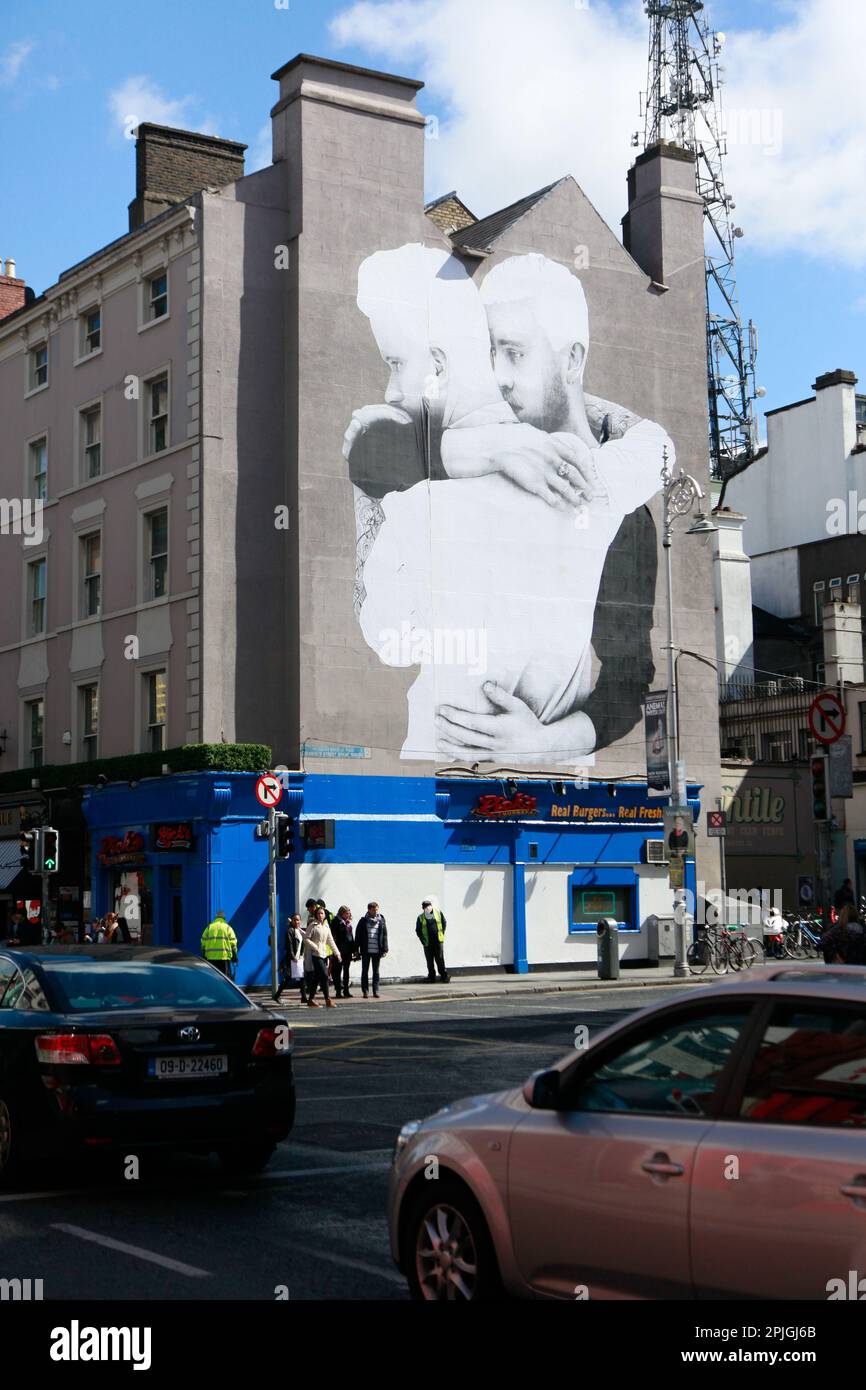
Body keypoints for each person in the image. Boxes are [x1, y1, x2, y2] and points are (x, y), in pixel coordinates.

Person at [354, 247, 670, 763]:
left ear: (573, 360)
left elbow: (629, 680)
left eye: (516, 353)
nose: (498, 374)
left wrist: (543, 742)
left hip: (554, 783)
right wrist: (492, 449)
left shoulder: (619, 503)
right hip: (435, 765)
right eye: (491, 353)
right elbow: (368, 447)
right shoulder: (453, 464)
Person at [303, 906, 341, 1009]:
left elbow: (331, 941)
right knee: (324, 975)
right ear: (316, 915)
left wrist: (337, 953)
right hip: (316, 954)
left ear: (325, 915)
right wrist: (315, 947)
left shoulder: (326, 927)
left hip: (324, 954)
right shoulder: (312, 925)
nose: (320, 915)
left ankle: (310, 999)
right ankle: (328, 999)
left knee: (317, 977)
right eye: (319, 913)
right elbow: (306, 939)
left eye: (322, 913)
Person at [355, 902, 388, 999]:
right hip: (366, 950)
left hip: (377, 951)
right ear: (369, 910)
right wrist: (356, 949)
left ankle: (376, 991)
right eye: (373, 910)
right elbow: (358, 936)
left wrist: (385, 948)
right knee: (365, 971)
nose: (376, 911)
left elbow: (385, 935)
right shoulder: (363, 921)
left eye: (377, 909)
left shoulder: (381, 920)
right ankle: (365, 991)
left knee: (376, 972)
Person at [276, 913, 308, 1004]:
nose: (297, 922)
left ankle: (304, 997)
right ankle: (276, 995)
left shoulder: (298, 930)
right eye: (295, 920)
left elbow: (302, 943)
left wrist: (301, 955)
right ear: (292, 921)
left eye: (298, 920)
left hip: (299, 958)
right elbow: (289, 945)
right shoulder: (290, 931)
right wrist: (293, 957)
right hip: (292, 959)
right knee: (288, 978)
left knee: (302, 977)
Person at [416, 900, 449, 983]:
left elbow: (444, 923)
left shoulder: (438, 913)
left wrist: (441, 933)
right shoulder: (421, 917)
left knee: (440, 959)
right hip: (427, 943)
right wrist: (422, 940)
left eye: (428, 906)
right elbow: (418, 930)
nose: (427, 907)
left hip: (438, 941)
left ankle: (444, 976)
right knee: (429, 961)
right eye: (425, 906)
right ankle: (431, 977)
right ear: (423, 908)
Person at [201, 909, 238, 977]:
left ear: (216, 918)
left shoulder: (209, 928)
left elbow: (203, 943)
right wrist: (235, 956)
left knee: (213, 979)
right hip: (224, 958)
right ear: (224, 918)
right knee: (225, 980)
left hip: (211, 959)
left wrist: (203, 955)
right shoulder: (228, 928)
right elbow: (233, 944)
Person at [330, 906, 357, 998]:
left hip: (347, 951)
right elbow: (333, 937)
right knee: (337, 971)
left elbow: (351, 937)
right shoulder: (336, 922)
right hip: (339, 951)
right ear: (342, 913)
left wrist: (354, 950)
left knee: (346, 971)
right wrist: (335, 951)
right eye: (346, 913)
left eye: (349, 913)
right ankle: (338, 991)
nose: (348, 914)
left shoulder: (348, 923)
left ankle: (346, 990)